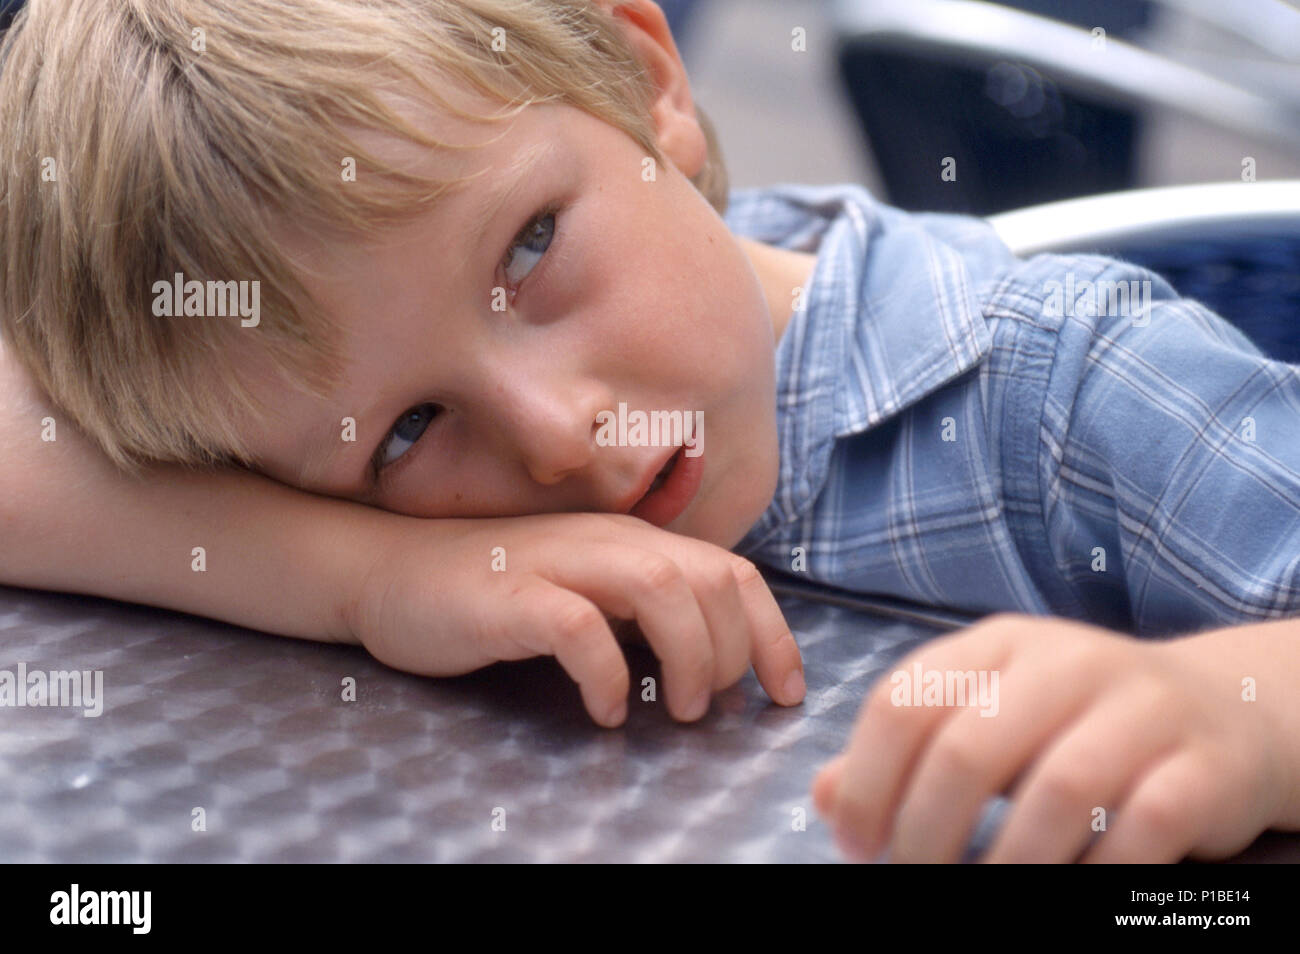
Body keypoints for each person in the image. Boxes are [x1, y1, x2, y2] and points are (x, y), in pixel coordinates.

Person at [1, 0, 1297, 863]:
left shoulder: (1069, 390)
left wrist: (1227, 712)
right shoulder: (379, 505)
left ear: (645, 72)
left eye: (532, 246)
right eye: (403, 434)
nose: (557, 436)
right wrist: (373, 577)